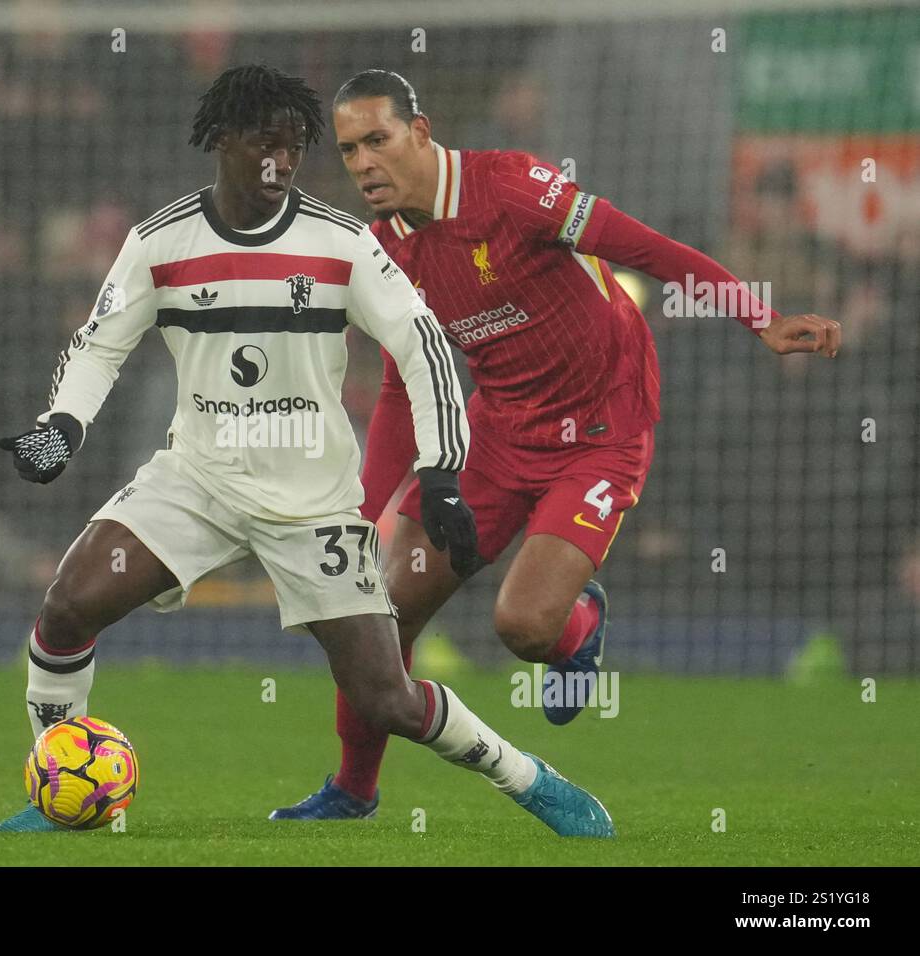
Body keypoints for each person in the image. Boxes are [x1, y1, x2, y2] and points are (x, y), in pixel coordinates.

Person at [0, 65, 613, 837]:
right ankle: (56, 789)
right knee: (66, 607)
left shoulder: (342, 243)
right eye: (264, 146)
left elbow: (422, 346)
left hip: (312, 504)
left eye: (292, 149)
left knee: (386, 698)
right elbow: (98, 346)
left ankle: (529, 779)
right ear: (221, 141)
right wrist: (65, 425)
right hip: (198, 479)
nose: (280, 164)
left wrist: (442, 468)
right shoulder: (158, 243)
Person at [271, 69, 841, 820]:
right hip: (499, 430)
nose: (365, 162)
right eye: (349, 150)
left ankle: (579, 625)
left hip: (604, 427)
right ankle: (354, 789)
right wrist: (362, 510)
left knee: (525, 626)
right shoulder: (382, 253)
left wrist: (755, 314)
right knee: (378, 609)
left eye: (378, 140)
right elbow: (402, 390)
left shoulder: (512, 186)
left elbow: (646, 248)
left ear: (420, 131)